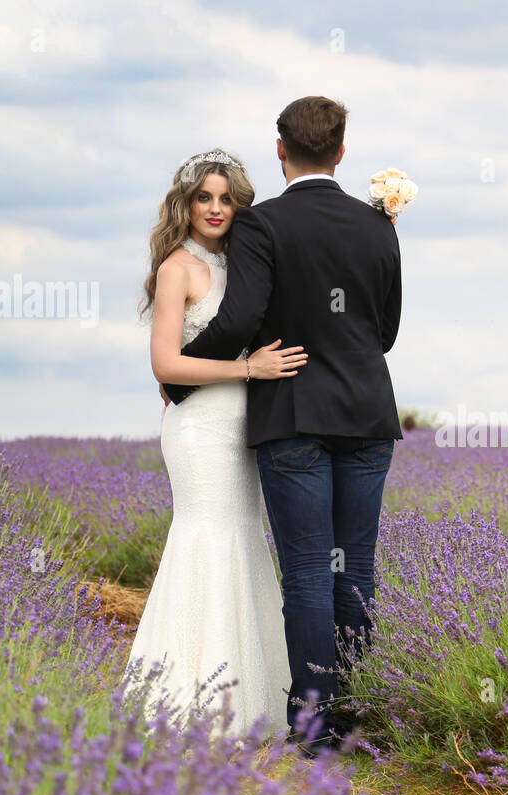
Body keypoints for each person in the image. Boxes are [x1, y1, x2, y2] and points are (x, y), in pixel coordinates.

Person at [163, 97, 404, 758]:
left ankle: (313, 725)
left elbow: (240, 321)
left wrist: (180, 377)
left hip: (292, 418)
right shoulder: (378, 222)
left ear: (279, 149)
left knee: (305, 574)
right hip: (366, 415)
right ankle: (352, 717)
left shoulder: (262, 224)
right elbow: (384, 331)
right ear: (343, 151)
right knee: (353, 572)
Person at [125, 148, 306, 742]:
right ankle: (185, 703)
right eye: (204, 197)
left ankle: (250, 705)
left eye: (226, 198)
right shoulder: (178, 267)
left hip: (244, 427)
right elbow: (165, 361)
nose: (215, 208)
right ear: (186, 203)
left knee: (244, 541)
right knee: (204, 535)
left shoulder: (250, 262)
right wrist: (247, 370)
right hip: (199, 426)